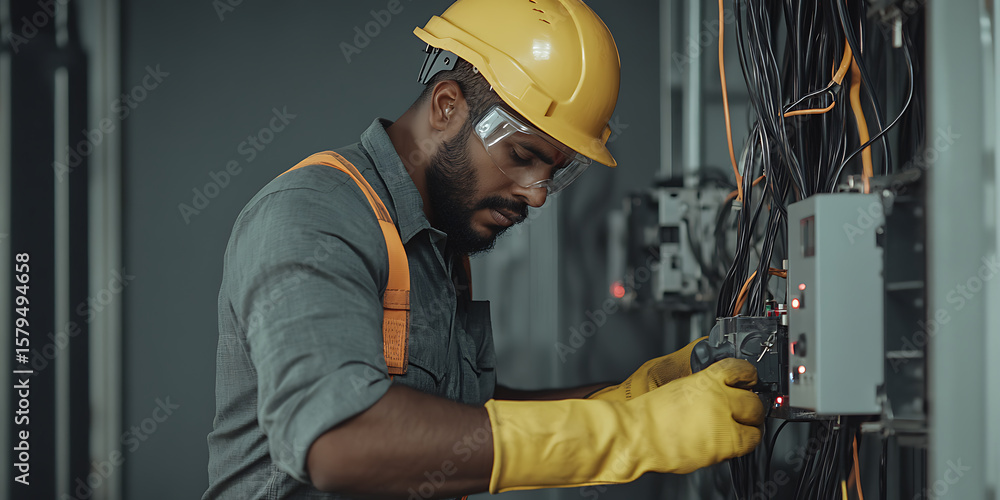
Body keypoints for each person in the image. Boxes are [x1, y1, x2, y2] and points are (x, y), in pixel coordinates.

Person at [203, 0, 764, 498]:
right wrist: (634, 435)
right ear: (447, 106)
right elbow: (340, 441)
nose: (538, 194)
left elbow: (459, 423)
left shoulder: (437, 248)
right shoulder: (312, 215)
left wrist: (631, 398)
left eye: (556, 173)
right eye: (522, 155)